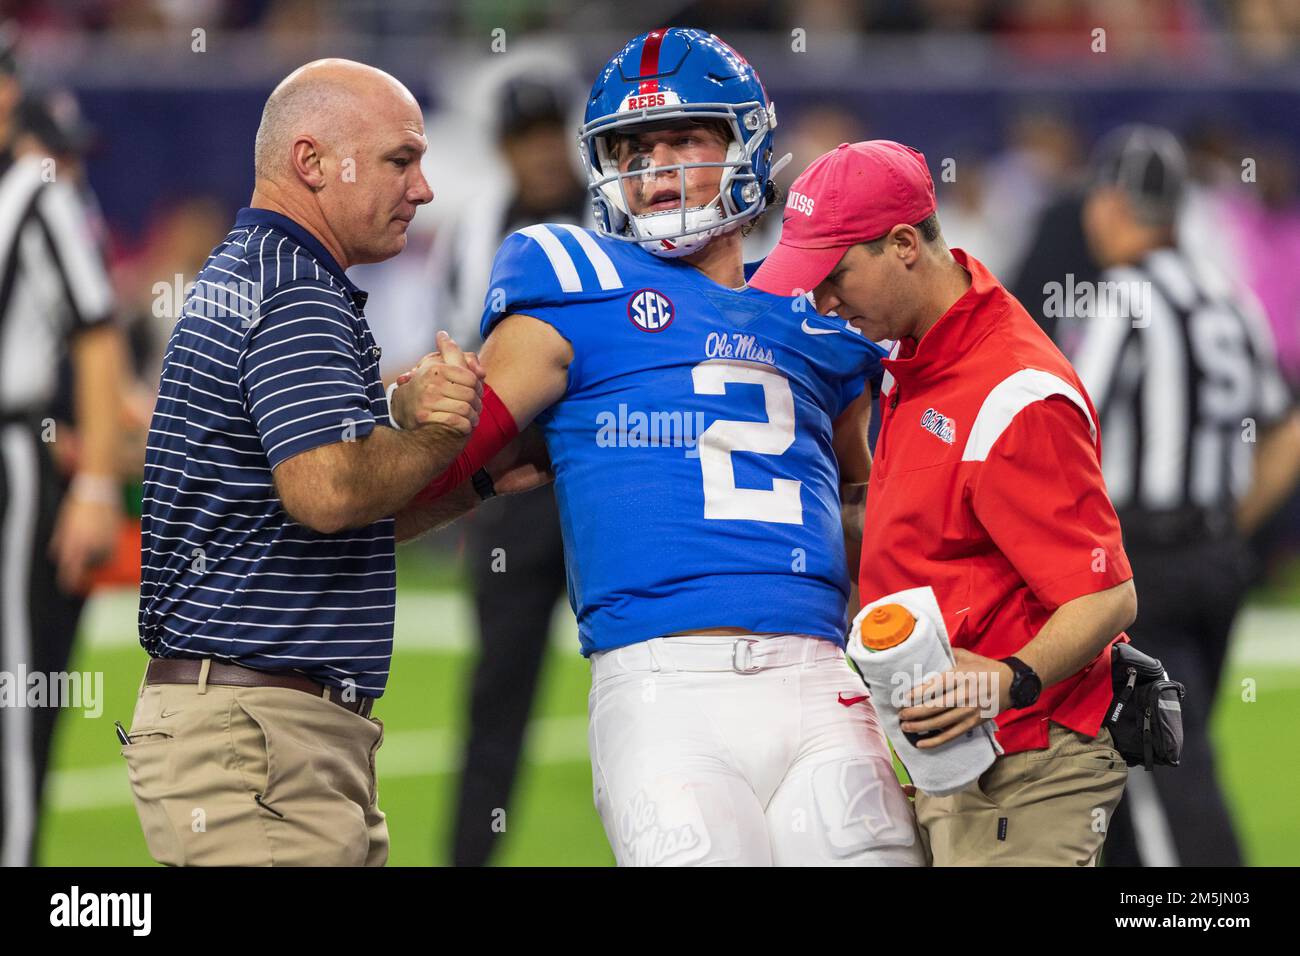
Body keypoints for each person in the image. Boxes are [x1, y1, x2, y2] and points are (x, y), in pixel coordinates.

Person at [399, 28, 922, 867]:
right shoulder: (568, 274)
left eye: (685, 140)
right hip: (664, 686)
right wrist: (411, 419)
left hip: (826, 678)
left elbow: (873, 510)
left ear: (745, 147)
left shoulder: (820, 319)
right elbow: (436, 467)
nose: (659, 166)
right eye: (635, 149)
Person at [128, 58, 485, 866]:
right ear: (312, 162)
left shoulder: (256, 269)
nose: (424, 189)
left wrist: (477, 478)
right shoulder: (295, 288)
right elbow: (326, 493)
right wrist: (435, 434)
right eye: (401, 159)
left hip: (260, 735)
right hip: (257, 743)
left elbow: (311, 528)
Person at [750, 139, 1137, 866]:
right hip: (950, 756)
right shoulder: (916, 353)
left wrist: (1006, 677)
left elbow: (1108, 595)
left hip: (1025, 765)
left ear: (902, 245)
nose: (821, 299)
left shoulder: (1014, 394)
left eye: (834, 274)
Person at [1071, 125, 1300, 866]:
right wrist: (1225, 526)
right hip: (1215, 560)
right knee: (1170, 750)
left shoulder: (1123, 300)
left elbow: (1070, 431)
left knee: (1152, 769)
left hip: (1143, 565)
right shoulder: (1226, 298)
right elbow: (1286, 430)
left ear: (1110, 204)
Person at [427, 64, 585, 867]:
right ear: (504, 148)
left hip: (600, 475)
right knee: (496, 695)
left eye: (550, 131)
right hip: (518, 492)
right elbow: (454, 354)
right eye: (526, 138)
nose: (543, 153)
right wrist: (464, 487)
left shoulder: (611, 215)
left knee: (650, 669)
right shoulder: (479, 225)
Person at [0, 33, 127, 868]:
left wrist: (95, 488)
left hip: (13, 459)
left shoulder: (38, 194)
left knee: (14, 702)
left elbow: (95, 333)